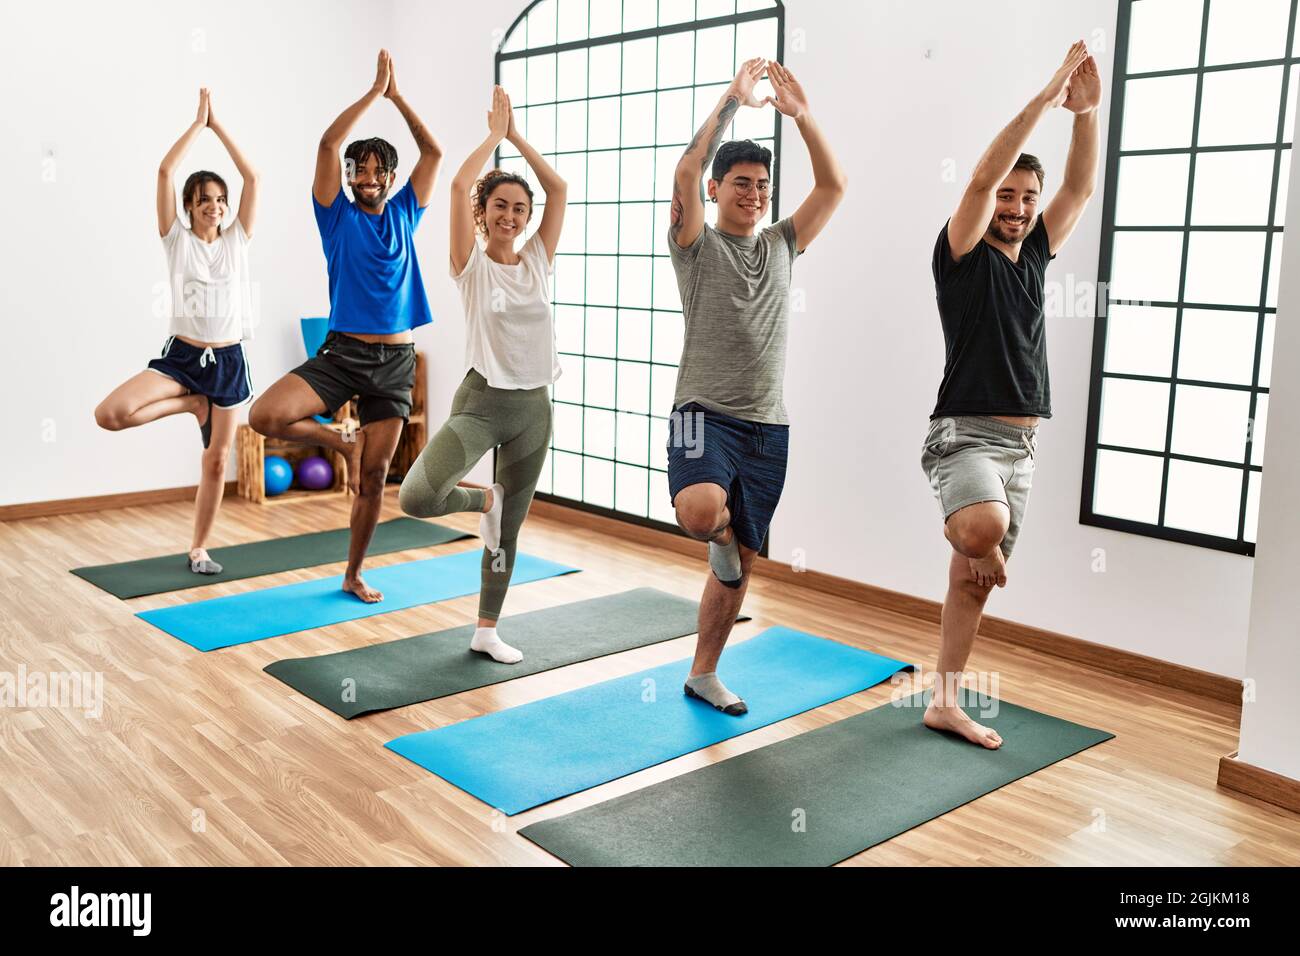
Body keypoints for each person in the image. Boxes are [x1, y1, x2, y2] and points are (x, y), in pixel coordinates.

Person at [920, 42, 1100, 748]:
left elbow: (1080, 189)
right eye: (1009, 196)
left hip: (1022, 446)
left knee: (973, 584)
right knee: (982, 535)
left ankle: (943, 699)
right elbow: (978, 180)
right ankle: (975, 531)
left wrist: (1085, 114)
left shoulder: (1034, 256)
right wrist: (1048, 93)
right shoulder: (959, 253)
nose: (1019, 208)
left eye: (1028, 198)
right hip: (963, 434)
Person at [667, 58, 847, 714]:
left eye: (762, 184)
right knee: (700, 514)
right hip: (699, 411)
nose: (754, 192)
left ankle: (704, 672)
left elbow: (833, 184)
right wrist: (732, 101)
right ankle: (715, 542)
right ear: (716, 191)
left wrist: (801, 116)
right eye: (740, 182)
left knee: (745, 554)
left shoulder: (781, 244)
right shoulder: (695, 245)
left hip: (767, 424)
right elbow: (685, 168)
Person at [249, 49, 441, 603]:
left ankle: (354, 573)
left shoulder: (407, 211)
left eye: (379, 170)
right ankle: (339, 441)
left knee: (377, 477)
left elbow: (433, 150)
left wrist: (397, 96)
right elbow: (328, 146)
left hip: (397, 362)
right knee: (266, 415)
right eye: (360, 169)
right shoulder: (335, 213)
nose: (368, 177)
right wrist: (371, 94)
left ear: (392, 177)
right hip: (343, 353)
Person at [398, 86, 565, 664]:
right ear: (483, 212)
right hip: (481, 401)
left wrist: (518, 135)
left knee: (509, 532)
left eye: (520, 209)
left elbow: (560, 189)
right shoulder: (470, 264)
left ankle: (486, 629)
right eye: (500, 207)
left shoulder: (538, 259)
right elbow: (453, 185)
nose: (512, 217)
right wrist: (494, 138)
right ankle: (483, 501)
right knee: (418, 496)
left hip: (534, 409)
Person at [94, 88, 259, 576]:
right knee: (112, 413)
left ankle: (199, 549)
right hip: (182, 359)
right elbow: (164, 172)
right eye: (204, 199)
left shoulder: (238, 241)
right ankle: (192, 403)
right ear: (188, 206)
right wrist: (197, 125)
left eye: (220, 199)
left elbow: (253, 176)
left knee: (215, 461)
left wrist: (220, 127)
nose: (215, 206)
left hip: (228, 362)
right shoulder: (176, 242)